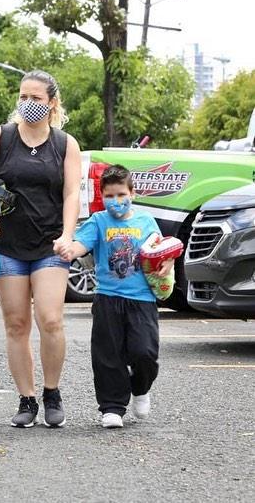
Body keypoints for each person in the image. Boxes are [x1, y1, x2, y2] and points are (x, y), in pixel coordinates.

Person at [0, 70, 82, 428]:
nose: (28, 104)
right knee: (16, 324)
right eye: (23, 97)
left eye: (36, 99)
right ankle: (27, 400)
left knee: (51, 319)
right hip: (7, 245)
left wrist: (68, 235)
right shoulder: (2, 136)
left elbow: (72, 193)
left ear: (52, 103)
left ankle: (52, 392)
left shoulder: (64, 144)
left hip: (49, 244)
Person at [56, 164, 173, 428]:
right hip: (107, 297)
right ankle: (112, 407)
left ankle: (140, 389)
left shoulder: (146, 221)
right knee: (108, 354)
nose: (116, 201)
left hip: (142, 299)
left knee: (144, 352)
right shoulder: (98, 221)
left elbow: (161, 253)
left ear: (132, 193)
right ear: (102, 196)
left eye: (121, 194)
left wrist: (168, 264)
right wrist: (68, 250)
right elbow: (80, 245)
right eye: (109, 196)